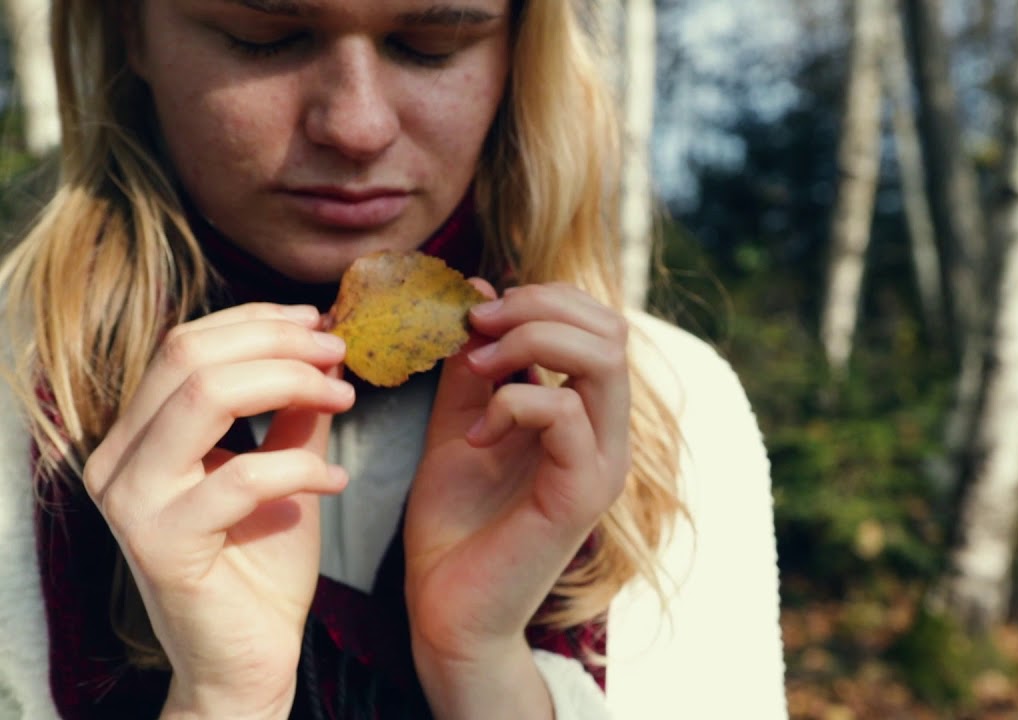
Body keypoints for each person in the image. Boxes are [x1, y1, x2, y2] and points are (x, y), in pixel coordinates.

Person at [0, 0, 787, 718]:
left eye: (430, 46)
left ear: (517, 50)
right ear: (128, 28)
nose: (357, 125)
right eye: (263, 38)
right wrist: (223, 699)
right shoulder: (18, 399)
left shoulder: (664, 408)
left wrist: (480, 668)